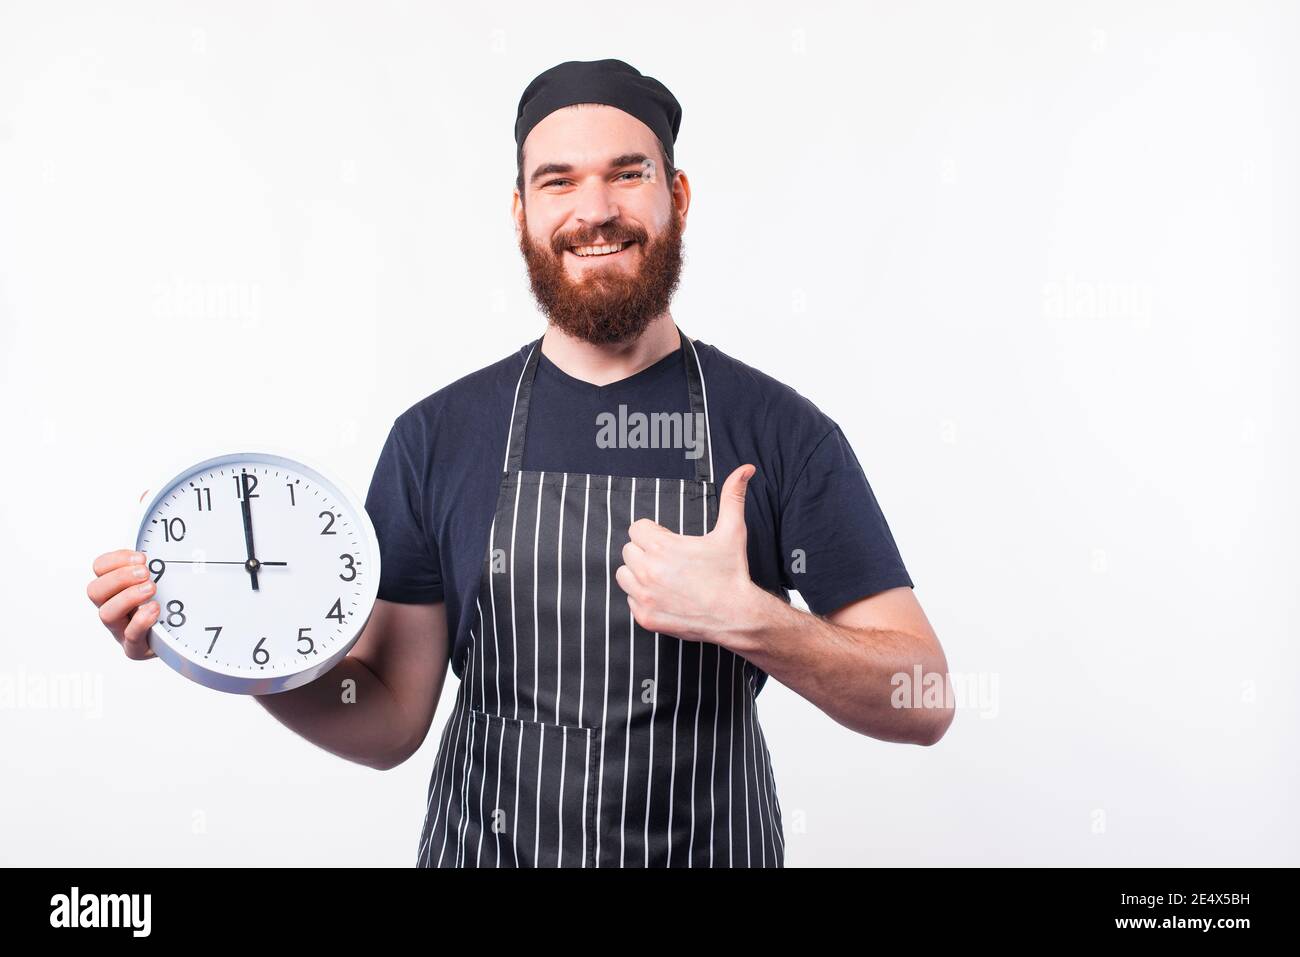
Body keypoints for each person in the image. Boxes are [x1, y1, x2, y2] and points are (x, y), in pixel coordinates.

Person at [86, 58, 953, 868]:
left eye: (628, 172)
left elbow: (925, 698)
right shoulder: (438, 435)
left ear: (677, 196)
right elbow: (386, 714)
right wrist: (241, 652)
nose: (595, 208)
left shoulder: (782, 432)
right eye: (559, 181)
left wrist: (752, 619)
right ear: (521, 215)